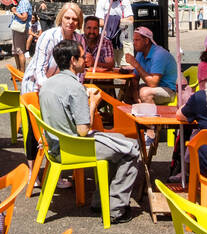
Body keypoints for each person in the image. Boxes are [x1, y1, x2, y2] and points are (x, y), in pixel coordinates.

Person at [39, 40, 139, 222]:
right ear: (73, 60)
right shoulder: (75, 87)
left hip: (55, 145)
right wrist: (92, 104)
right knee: (132, 148)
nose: (86, 60)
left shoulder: (47, 84)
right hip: (75, 147)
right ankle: (116, 209)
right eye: (82, 57)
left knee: (119, 139)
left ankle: (101, 200)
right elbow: (84, 130)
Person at [22, 3, 85, 94]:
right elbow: (39, 71)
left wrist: (78, 88)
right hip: (36, 87)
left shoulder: (79, 40)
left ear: (79, 21)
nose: (71, 22)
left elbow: (79, 69)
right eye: (67, 18)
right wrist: (52, 91)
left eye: (75, 19)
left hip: (60, 89)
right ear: (61, 18)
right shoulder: (48, 37)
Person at [125, 26, 178, 104]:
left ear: (146, 41)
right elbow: (135, 78)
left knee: (145, 93)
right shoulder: (140, 53)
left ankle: (150, 112)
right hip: (152, 87)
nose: (134, 43)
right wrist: (135, 94)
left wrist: (136, 65)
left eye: (137, 40)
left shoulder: (159, 55)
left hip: (168, 90)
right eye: (133, 40)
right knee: (127, 90)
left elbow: (153, 83)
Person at [9, 0, 33, 71]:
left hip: (19, 28)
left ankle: (21, 72)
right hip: (20, 28)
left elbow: (24, 17)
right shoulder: (24, 2)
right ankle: (19, 71)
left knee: (19, 51)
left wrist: (15, 12)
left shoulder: (23, 2)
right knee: (16, 51)